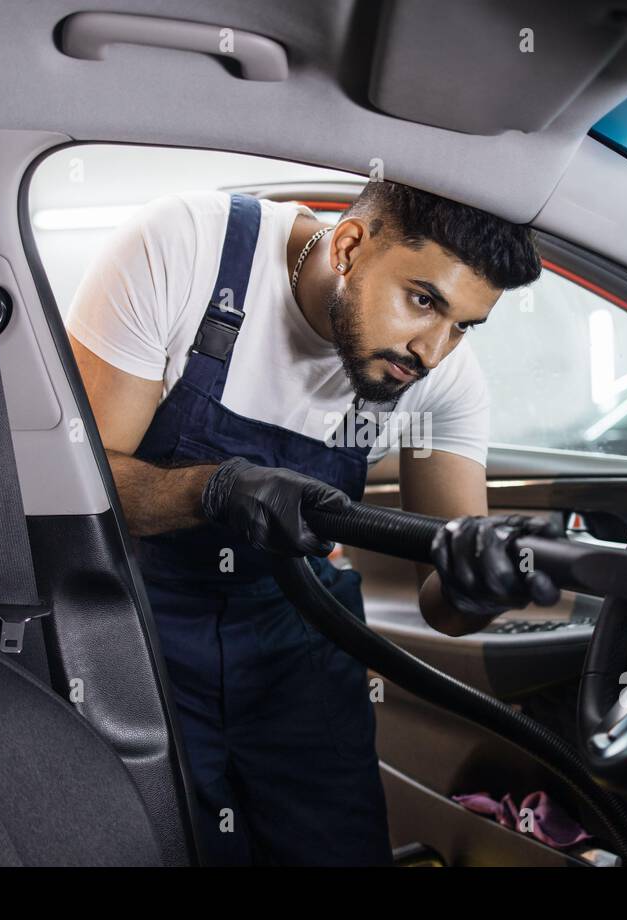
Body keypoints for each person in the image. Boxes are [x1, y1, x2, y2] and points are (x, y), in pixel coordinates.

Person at [69, 181, 562, 865]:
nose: (432, 351)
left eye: (463, 326)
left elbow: (442, 602)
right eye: (423, 301)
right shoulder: (186, 250)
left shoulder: (442, 379)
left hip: (299, 647)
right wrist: (212, 491)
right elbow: (77, 497)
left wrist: (481, 584)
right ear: (350, 245)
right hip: (141, 634)